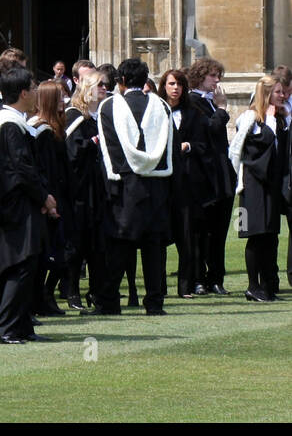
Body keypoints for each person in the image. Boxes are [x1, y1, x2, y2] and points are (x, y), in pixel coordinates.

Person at [0, 67, 57, 344]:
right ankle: (4, 328)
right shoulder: (9, 125)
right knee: (20, 264)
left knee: (27, 264)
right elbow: (22, 169)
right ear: (23, 93)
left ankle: (20, 326)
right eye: (33, 87)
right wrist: (44, 197)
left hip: (15, 205)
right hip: (14, 208)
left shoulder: (10, 121)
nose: (37, 93)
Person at [95, 58, 173, 316]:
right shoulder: (161, 106)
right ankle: (154, 303)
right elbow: (170, 145)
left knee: (120, 246)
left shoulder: (109, 107)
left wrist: (123, 176)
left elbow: (111, 149)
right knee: (153, 247)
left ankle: (109, 302)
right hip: (156, 184)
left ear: (122, 81)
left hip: (125, 186)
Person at [228, 75, 286, 302]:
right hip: (253, 186)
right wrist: (271, 121)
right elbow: (258, 147)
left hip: (269, 186)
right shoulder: (250, 119)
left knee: (269, 237)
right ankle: (253, 286)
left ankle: (266, 286)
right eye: (278, 92)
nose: (283, 96)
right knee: (255, 236)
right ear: (267, 94)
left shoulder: (276, 120)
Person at [186, 57, 236, 295]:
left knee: (218, 232)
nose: (217, 81)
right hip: (202, 177)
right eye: (213, 76)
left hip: (220, 175)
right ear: (200, 76)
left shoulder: (212, 102)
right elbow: (211, 129)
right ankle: (198, 278)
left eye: (219, 76)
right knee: (200, 232)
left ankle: (216, 277)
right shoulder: (193, 102)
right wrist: (223, 109)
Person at [157, 70, 206, 299]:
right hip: (162, 182)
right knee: (158, 237)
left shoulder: (193, 113)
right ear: (164, 86)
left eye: (179, 84)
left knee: (186, 236)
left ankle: (185, 286)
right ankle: (158, 287)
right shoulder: (155, 111)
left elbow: (204, 144)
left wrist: (188, 146)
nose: (175, 88)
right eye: (171, 83)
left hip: (186, 182)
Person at [63, 72, 107, 310]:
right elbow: (72, 151)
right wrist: (93, 143)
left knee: (96, 243)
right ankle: (71, 292)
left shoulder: (98, 116)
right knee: (77, 243)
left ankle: (96, 291)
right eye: (99, 84)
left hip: (98, 187)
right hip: (79, 189)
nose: (104, 88)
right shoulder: (74, 116)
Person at [28, 80, 71, 318]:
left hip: (59, 196)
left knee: (56, 253)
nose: (64, 101)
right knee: (49, 253)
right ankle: (40, 298)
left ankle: (45, 296)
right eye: (59, 98)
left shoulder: (54, 128)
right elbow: (45, 170)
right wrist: (49, 201)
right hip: (50, 200)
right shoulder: (41, 131)